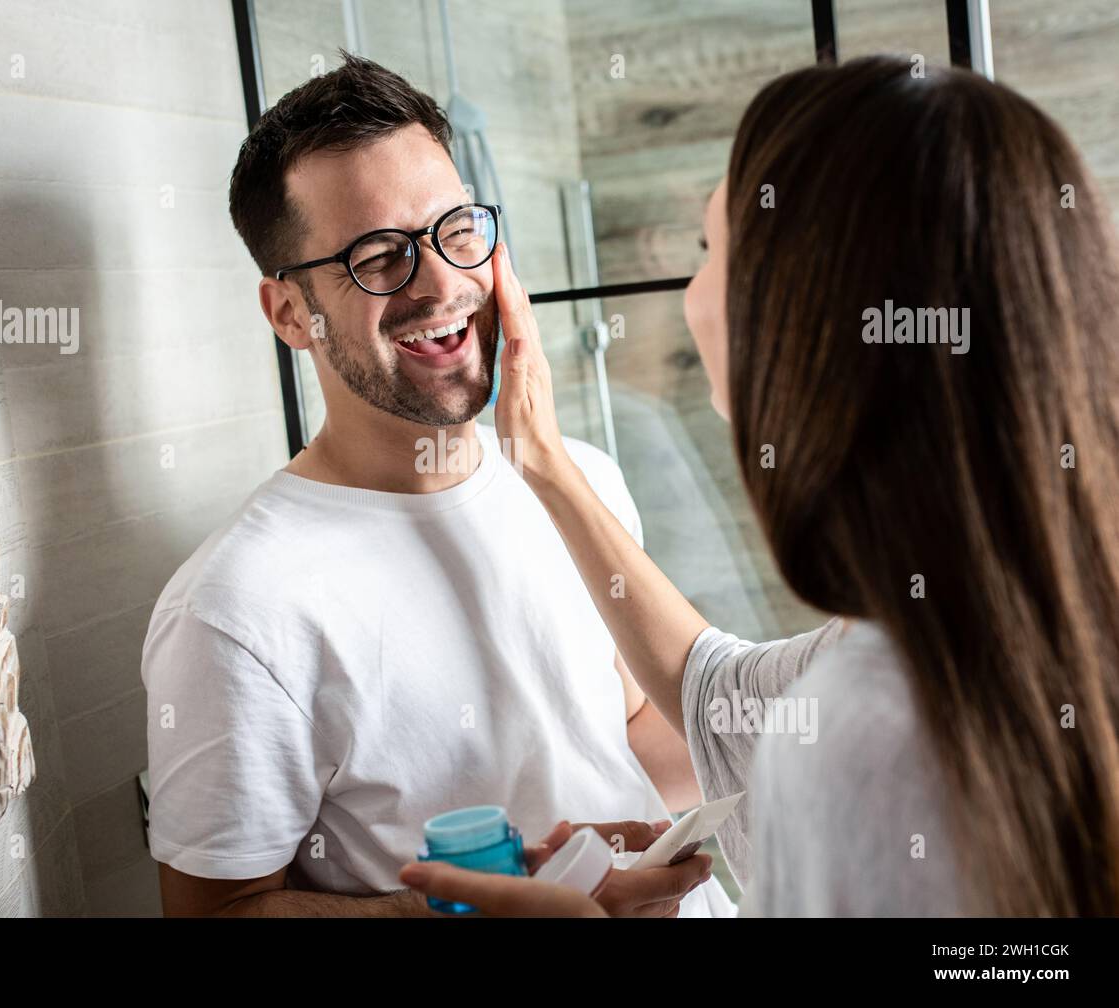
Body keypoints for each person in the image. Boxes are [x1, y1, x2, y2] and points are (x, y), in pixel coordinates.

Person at [402, 56, 1119, 917]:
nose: (693, 293)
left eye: (712, 253)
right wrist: (543, 462)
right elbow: (724, 695)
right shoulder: (1015, 609)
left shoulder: (869, 730)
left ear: (796, 321)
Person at [141, 53, 726, 917]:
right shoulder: (238, 609)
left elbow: (634, 729)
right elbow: (216, 913)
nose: (443, 284)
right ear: (290, 313)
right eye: (379, 257)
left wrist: (761, 774)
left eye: (457, 230)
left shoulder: (577, 479)